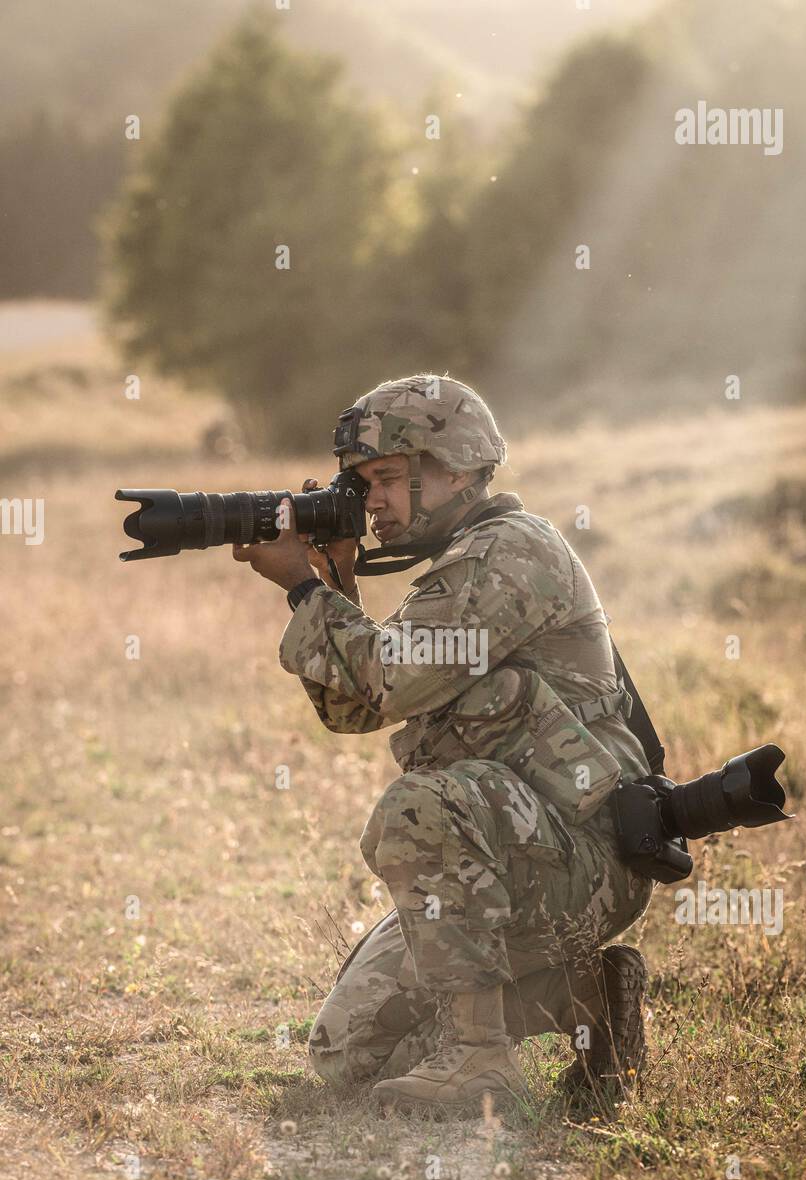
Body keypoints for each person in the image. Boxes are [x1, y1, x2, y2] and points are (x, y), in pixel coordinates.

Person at [233, 374, 653, 1115]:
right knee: (348, 1049)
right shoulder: (462, 560)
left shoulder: (507, 554)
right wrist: (334, 582)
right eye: (362, 486)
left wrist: (305, 592)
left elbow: (389, 684)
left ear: (454, 467)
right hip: (510, 858)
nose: (373, 504)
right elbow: (357, 712)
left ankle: (477, 1060)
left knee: (419, 804)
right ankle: (587, 1001)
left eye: (389, 479)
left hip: (581, 857)